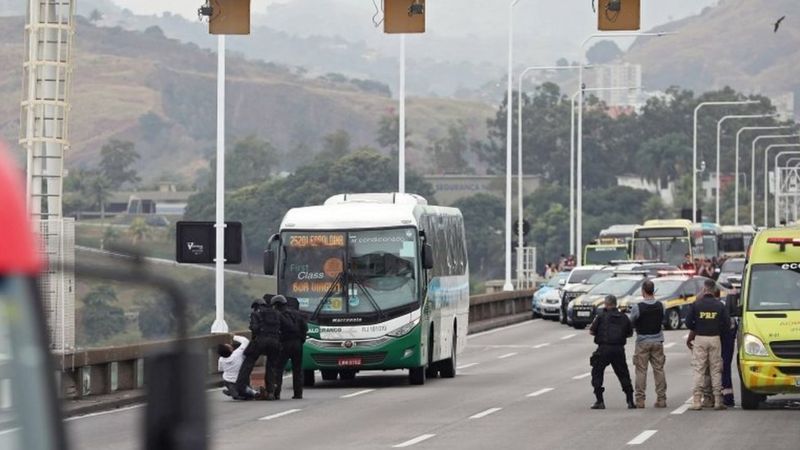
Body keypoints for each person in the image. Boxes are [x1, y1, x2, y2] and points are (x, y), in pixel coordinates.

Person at [685, 279, 730, 410]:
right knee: (715, 370)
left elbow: (688, 323)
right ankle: (717, 400)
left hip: (700, 338)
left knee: (699, 369)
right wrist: (717, 328)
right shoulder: (720, 305)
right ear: (714, 290)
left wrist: (698, 326)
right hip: (715, 338)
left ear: (704, 289)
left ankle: (697, 400)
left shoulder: (696, 304)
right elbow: (727, 324)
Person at [589, 295, 636, 410]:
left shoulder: (601, 316)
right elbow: (630, 333)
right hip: (618, 349)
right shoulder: (623, 317)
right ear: (615, 304)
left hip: (604, 348)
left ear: (606, 304)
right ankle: (630, 400)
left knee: (597, 373)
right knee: (623, 374)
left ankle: (599, 401)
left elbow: (591, 331)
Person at [233, 297, 282, 400]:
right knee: (271, 367)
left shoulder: (256, 314)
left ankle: (240, 387)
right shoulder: (276, 313)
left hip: (261, 340)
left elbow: (254, 328)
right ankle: (270, 392)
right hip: (275, 341)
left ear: (256, 306)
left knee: (248, 362)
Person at [628, 279, 667, 408]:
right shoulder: (661, 305)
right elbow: (663, 318)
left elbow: (631, 322)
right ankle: (661, 399)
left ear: (643, 291)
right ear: (653, 290)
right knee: (659, 370)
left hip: (642, 342)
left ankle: (640, 400)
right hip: (657, 341)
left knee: (641, 371)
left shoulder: (637, 307)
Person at [273, 295, 308, 400]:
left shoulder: (277, 315)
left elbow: (275, 330)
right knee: (297, 369)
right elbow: (305, 328)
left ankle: (276, 393)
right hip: (297, 344)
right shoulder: (297, 314)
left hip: (284, 343)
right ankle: (298, 393)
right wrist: (301, 340)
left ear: (276, 305)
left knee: (278, 369)